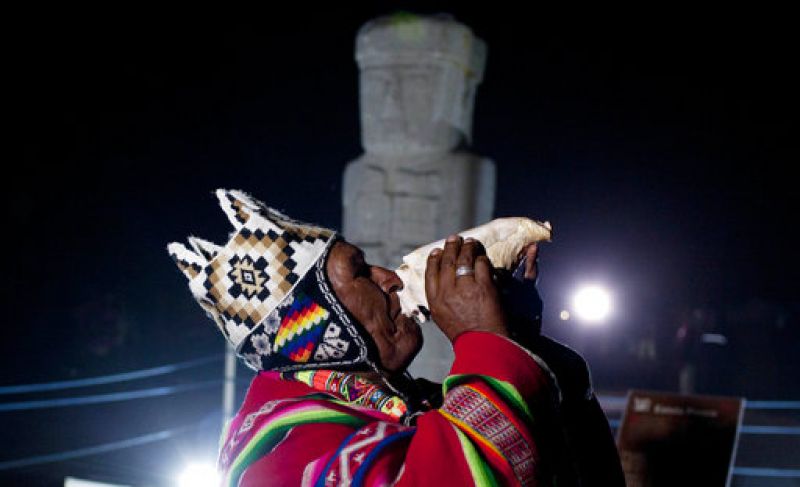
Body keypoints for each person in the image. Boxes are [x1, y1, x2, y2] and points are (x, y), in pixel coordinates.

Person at [168, 189, 624, 486]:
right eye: (360, 272)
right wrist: (483, 340)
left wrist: (520, 344)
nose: (390, 278)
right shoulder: (284, 461)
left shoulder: (412, 406)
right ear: (315, 319)